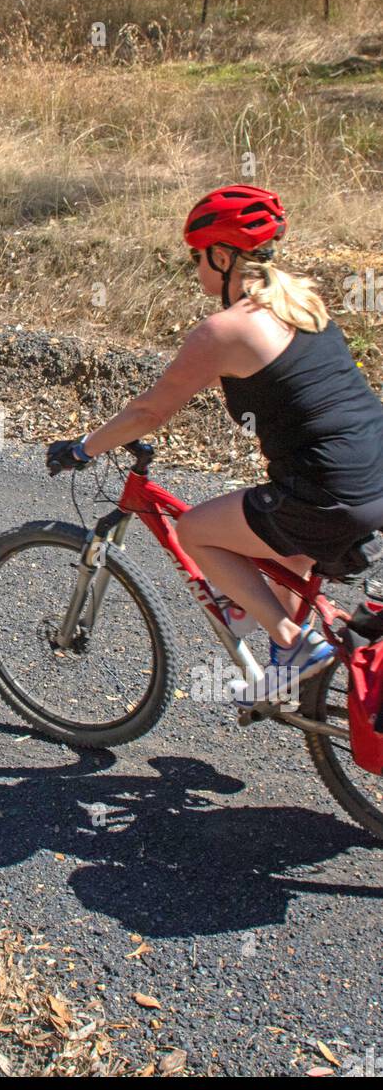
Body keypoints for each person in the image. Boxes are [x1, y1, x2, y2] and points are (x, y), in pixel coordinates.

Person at [46, 184, 383, 705]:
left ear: (223, 257)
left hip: (327, 493)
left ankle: (294, 646)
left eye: (197, 258)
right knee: (282, 547)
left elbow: (148, 412)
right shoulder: (304, 306)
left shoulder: (225, 331)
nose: (195, 270)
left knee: (197, 531)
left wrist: (82, 448)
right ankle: (278, 674)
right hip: (371, 478)